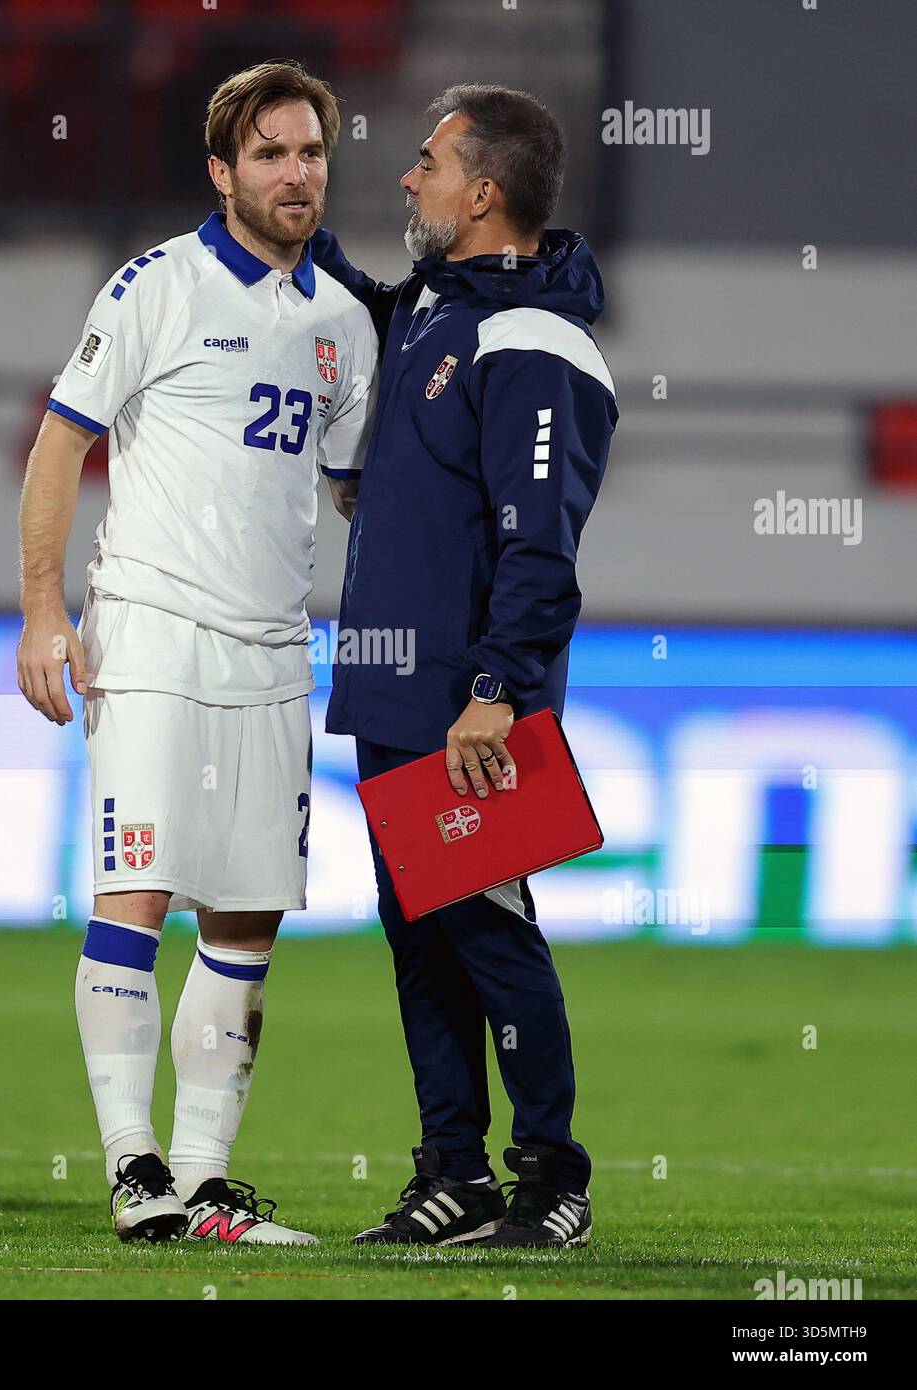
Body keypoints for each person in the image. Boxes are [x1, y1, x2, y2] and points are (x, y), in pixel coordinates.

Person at [16, 60, 377, 1244]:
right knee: (139, 892)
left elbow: (348, 494)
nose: (296, 172)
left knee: (248, 920)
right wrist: (41, 608)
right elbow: (60, 447)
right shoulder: (155, 287)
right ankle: (134, 1168)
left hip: (275, 654)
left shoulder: (343, 324)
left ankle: (210, 1182)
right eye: (270, 152)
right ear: (222, 171)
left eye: (311, 151)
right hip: (155, 632)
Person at [309, 84, 618, 1248]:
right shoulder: (438, 308)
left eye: (429, 163)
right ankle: (454, 1173)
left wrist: (496, 691)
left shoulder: (534, 342)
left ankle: (555, 1181)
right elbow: (361, 295)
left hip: (466, 703)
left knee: (490, 931)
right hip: (399, 690)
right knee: (421, 933)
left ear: (483, 194)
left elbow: (540, 543)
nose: (407, 178)